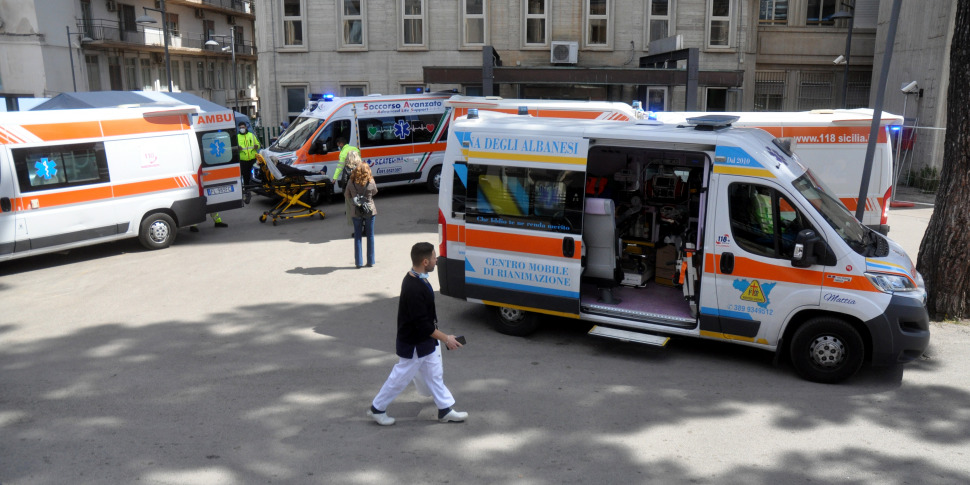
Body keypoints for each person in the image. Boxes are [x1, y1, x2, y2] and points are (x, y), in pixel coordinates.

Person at [368, 242, 467, 426]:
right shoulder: (415, 288)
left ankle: (445, 409)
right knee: (400, 377)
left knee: (434, 373)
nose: (436, 261)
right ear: (424, 261)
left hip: (423, 342)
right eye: (434, 258)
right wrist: (446, 338)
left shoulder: (417, 278)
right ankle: (377, 408)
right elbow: (423, 325)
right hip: (415, 343)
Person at [345, 159, 376, 268]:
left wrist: (355, 198)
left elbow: (346, 195)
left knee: (357, 236)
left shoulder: (351, 182)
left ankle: (358, 262)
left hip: (356, 210)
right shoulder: (371, 181)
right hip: (369, 210)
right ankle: (371, 261)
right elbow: (375, 192)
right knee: (370, 235)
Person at [237, 122, 261, 187]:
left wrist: (257, 146)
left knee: (255, 175)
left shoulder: (251, 135)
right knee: (245, 176)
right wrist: (237, 148)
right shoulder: (237, 137)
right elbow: (235, 148)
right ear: (239, 129)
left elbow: (258, 145)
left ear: (246, 127)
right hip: (243, 160)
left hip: (253, 159)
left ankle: (256, 188)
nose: (242, 129)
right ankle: (247, 189)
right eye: (240, 128)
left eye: (243, 127)